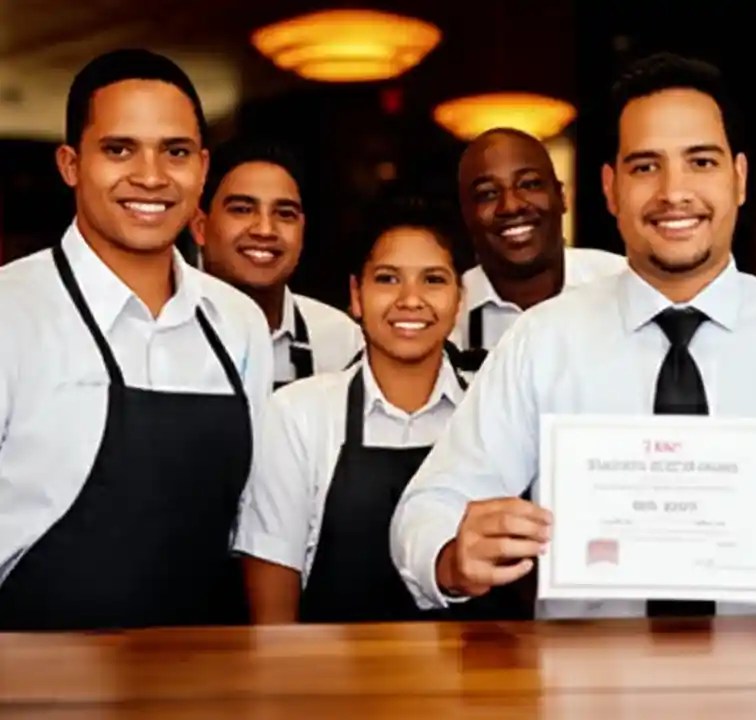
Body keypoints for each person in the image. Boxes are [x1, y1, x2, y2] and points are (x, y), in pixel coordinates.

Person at [390, 53, 756, 620]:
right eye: (644, 166)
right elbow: (427, 509)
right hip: (589, 691)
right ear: (610, 189)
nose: (673, 192)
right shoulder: (542, 341)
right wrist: (451, 556)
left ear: (740, 179)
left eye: (700, 161)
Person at [0, 49, 273, 630]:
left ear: (202, 168)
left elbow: (251, 523)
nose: (150, 176)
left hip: (203, 682)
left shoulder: (238, 321)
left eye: (174, 152)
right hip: (32, 685)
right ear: (71, 164)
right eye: (119, 149)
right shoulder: (10, 312)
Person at [234, 196, 469, 624]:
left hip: (477, 683)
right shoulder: (298, 415)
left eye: (433, 280)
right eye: (387, 279)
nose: (410, 300)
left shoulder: (493, 413)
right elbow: (272, 615)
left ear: (460, 300)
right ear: (356, 296)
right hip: (331, 682)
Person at [451, 127, 627, 372]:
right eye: (488, 194)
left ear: (561, 196)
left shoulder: (624, 283)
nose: (511, 206)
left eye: (529, 184)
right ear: (466, 214)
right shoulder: (446, 311)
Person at [192, 137, 363, 389]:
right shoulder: (160, 332)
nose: (265, 230)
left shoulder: (339, 343)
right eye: (242, 209)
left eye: (284, 214)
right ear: (200, 227)